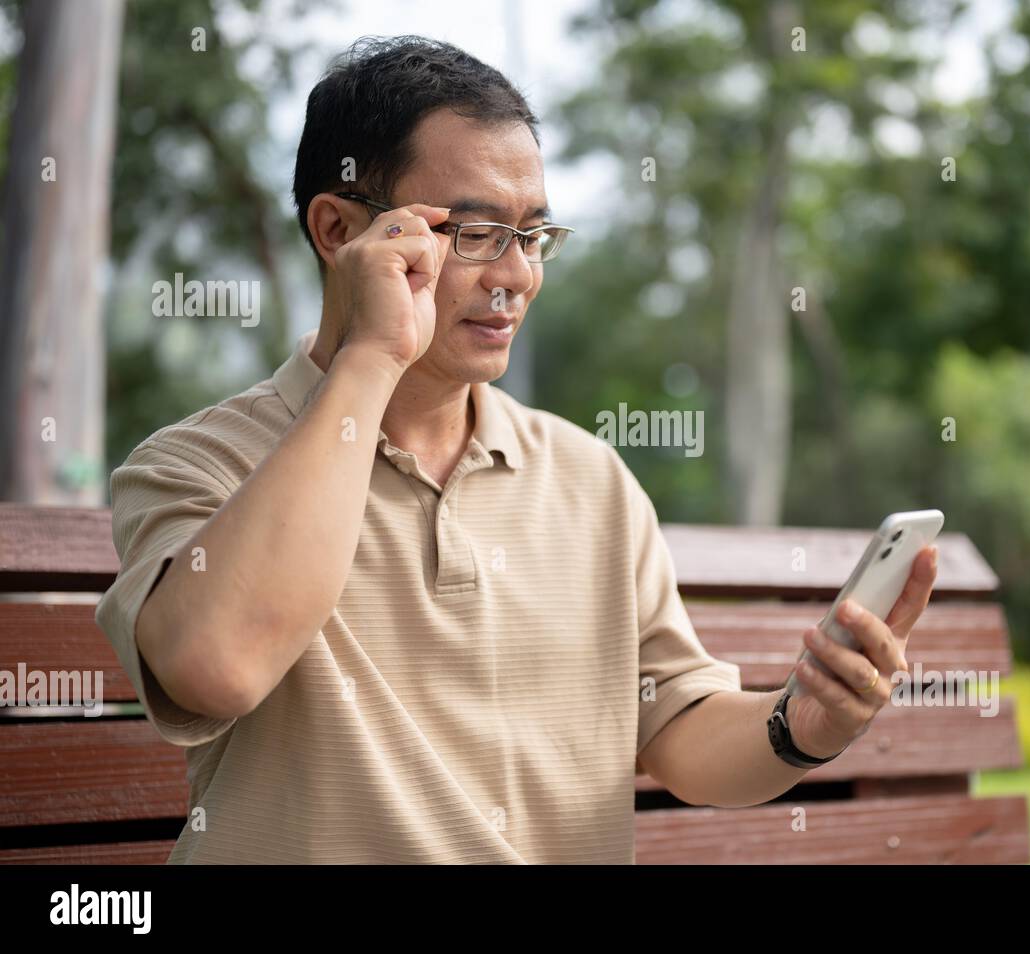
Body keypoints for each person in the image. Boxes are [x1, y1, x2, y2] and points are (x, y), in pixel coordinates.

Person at [96, 35, 938, 863]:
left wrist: (803, 724)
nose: (517, 274)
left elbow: (679, 726)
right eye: (472, 233)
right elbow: (217, 667)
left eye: (532, 235)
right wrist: (370, 359)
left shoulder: (590, 480)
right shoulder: (195, 465)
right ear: (337, 230)